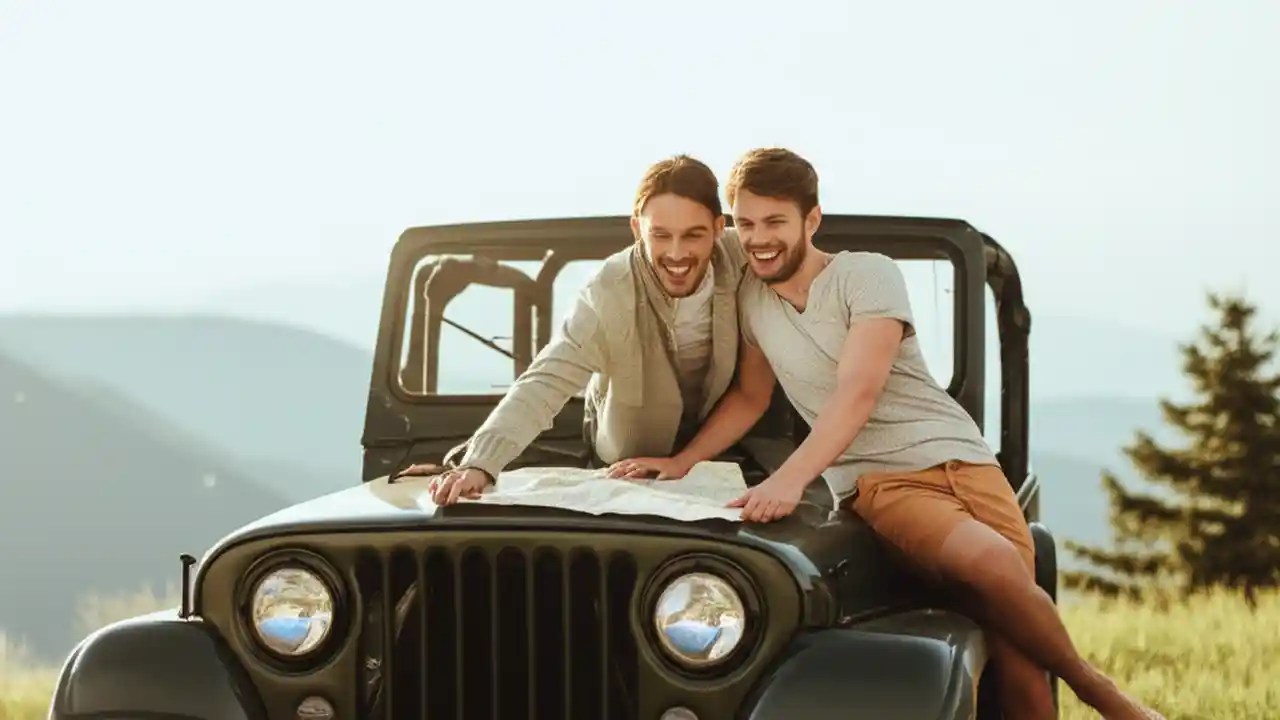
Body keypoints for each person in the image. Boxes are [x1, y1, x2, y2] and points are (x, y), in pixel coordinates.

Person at [609, 148, 1164, 720]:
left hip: (964, 459)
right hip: (881, 480)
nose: (759, 239)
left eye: (775, 222)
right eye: (746, 224)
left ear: (812, 220)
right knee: (997, 565)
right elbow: (751, 396)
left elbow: (859, 391)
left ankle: (1092, 697)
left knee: (1019, 663)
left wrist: (791, 479)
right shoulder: (751, 297)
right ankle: (1108, 698)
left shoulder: (867, 273)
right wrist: (684, 460)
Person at [394, 154, 748, 504]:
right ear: (637, 228)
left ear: (719, 228)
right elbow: (547, 378)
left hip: (722, 446)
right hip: (625, 461)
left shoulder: (742, 258)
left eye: (693, 235)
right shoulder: (608, 291)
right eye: (660, 235)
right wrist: (479, 464)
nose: (676, 253)